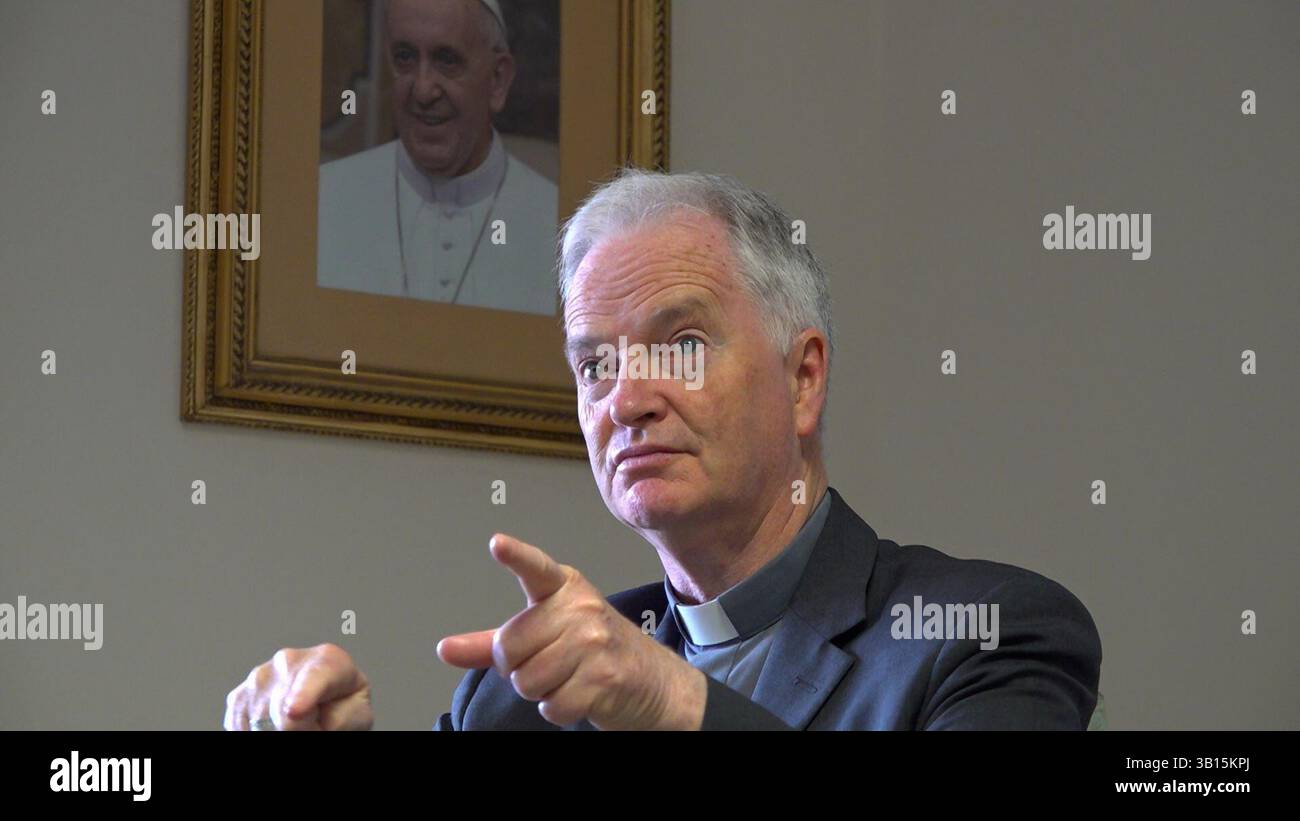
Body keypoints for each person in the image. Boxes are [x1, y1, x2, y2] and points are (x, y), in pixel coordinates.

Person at [226, 169, 1102, 731]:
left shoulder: (983, 633)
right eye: (595, 363)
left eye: (679, 346)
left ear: (803, 379)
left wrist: (677, 704)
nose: (626, 399)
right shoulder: (515, 698)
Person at [316, 0, 558, 316]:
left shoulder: (557, 226)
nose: (423, 90)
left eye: (447, 60)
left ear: (497, 80)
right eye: (405, 57)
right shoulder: (326, 198)